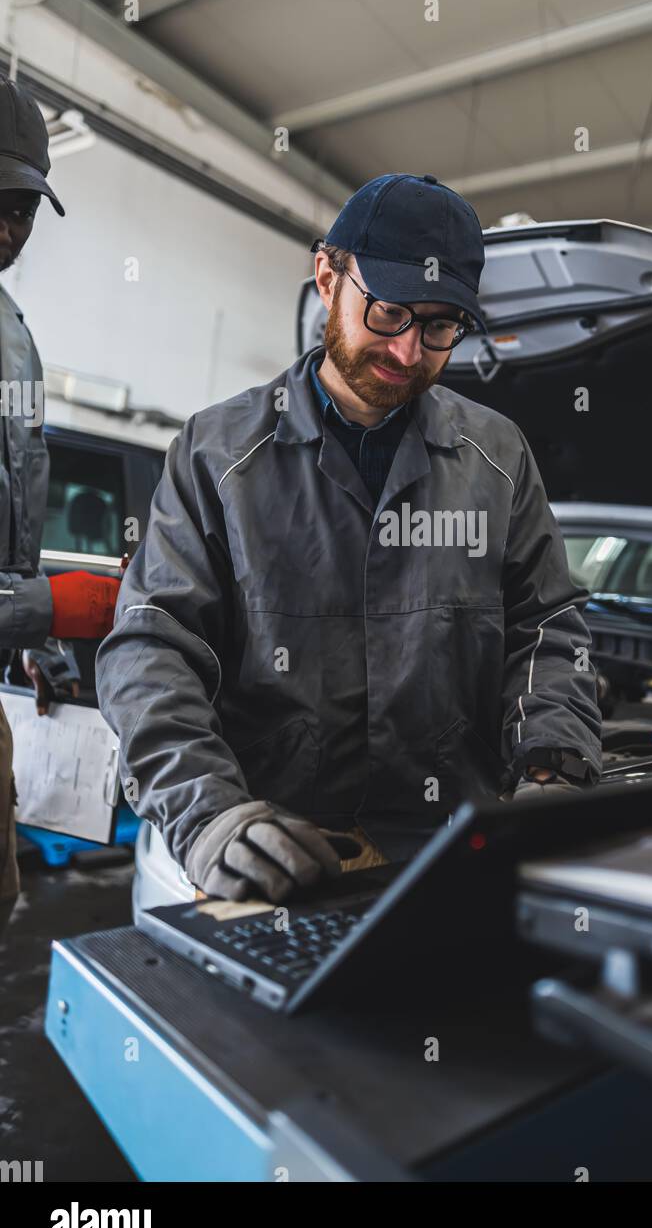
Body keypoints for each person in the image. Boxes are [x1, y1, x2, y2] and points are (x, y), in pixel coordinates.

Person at [96, 173, 602, 905]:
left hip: (445, 855)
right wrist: (206, 814)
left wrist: (552, 764)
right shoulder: (217, 455)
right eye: (391, 312)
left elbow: (547, 628)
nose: (408, 353)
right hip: (258, 857)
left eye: (440, 329)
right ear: (328, 275)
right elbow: (151, 646)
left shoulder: (498, 456)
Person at [0, 77, 120, 935]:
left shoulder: (11, 333)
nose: (11, 228)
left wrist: (26, 639)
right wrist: (51, 606)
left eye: (26, 209)